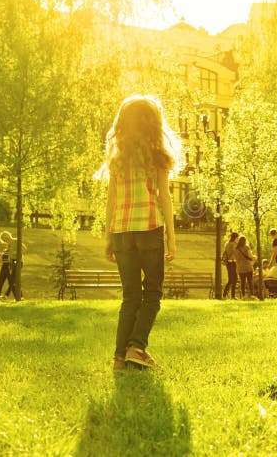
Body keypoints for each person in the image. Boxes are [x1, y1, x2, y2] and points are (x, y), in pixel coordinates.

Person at [100, 95, 180, 371]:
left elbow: (111, 199)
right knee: (153, 293)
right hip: (148, 228)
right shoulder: (156, 155)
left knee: (130, 295)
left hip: (122, 230)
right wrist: (171, 236)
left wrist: (109, 235)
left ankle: (119, 358)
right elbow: (165, 197)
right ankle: (137, 347)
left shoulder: (116, 157)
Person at [0, 231, 24, 301]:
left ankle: (14, 296)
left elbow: (23, 249)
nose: (4, 242)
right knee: (11, 281)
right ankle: (17, 296)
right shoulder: (9, 246)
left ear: (7, 237)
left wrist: (15, 254)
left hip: (17, 262)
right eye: (3, 241)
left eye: (4, 240)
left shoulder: (16, 240)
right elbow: (7, 257)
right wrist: (0, 255)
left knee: (12, 281)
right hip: (11, 263)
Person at [234, 236, 256, 300]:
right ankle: (252, 295)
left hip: (240, 267)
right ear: (245, 241)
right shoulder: (246, 247)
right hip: (248, 266)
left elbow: (235, 259)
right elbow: (250, 256)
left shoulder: (235, 249)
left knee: (242, 282)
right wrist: (254, 257)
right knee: (250, 281)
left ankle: (243, 296)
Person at [222, 232, 240, 299]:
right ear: (235, 238)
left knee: (232, 279)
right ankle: (231, 295)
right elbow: (236, 253)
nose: (238, 239)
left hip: (228, 263)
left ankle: (226, 295)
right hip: (233, 263)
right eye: (237, 238)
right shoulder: (234, 245)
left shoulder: (227, 243)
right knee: (233, 279)